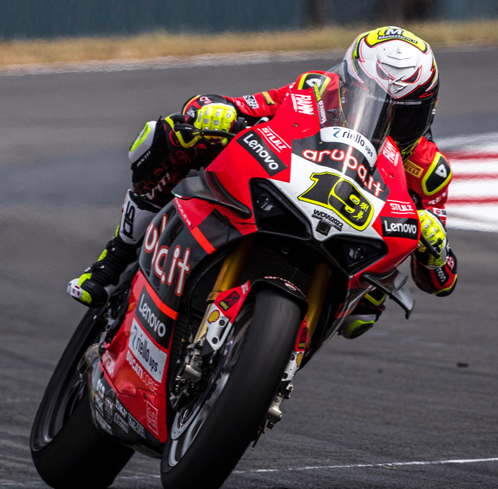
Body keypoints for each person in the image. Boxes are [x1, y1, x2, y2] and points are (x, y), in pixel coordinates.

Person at [67, 26, 457, 339]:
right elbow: (242, 106)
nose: (387, 124)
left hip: (356, 256)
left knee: (361, 320)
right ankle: (117, 256)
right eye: (373, 101)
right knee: (172, 135)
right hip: (291, 192)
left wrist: (435, 250)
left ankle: (272, 358)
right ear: (349, 83)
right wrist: (212, 111)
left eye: (403, 116)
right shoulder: (317, 91)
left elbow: (441, 281)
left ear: (429, 110)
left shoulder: (429, 170)